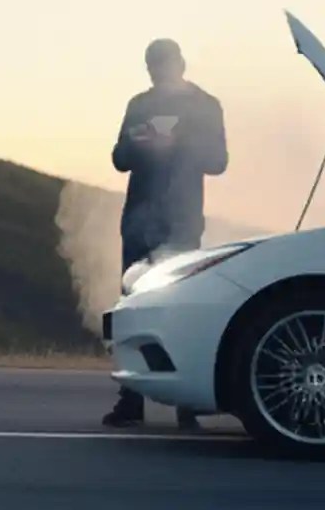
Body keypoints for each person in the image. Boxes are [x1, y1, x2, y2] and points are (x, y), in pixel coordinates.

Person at [102, 37, 228, 428]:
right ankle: (131, 399)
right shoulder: (139, 104)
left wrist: (178, 143)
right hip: (139, 217)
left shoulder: (205, 105)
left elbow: (218, 161)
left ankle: (185, 404)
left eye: (163, 64)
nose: (157, 72)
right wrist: (140, 144)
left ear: (180, 64)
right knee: (132, 306)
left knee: (179, 308)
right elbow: (119, 158)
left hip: (182, 219)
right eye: (151, 66)